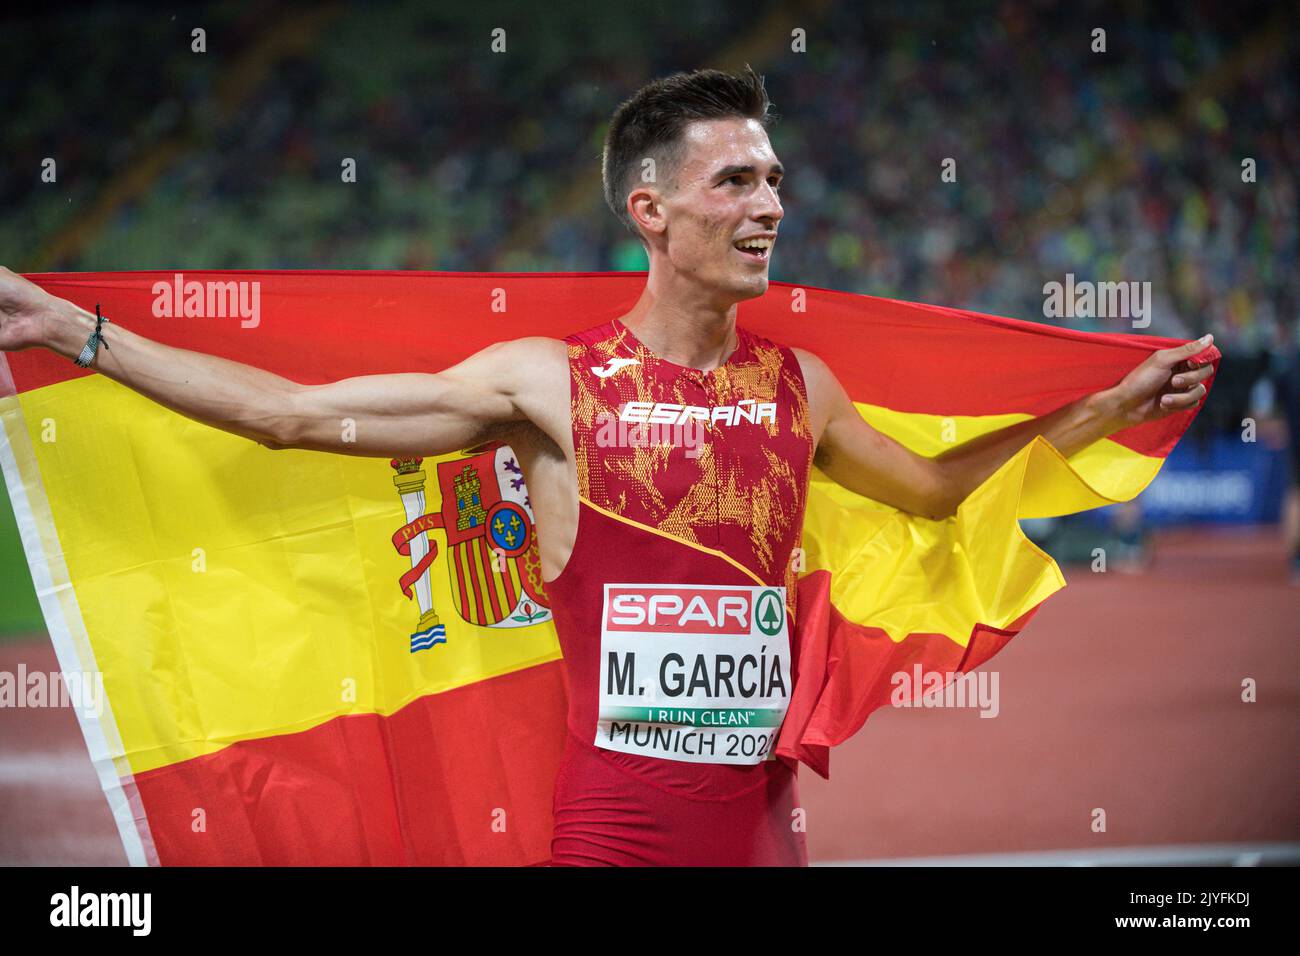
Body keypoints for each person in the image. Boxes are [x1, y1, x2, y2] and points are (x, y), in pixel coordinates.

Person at [0, 66, 1214, 866]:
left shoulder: (803, 387)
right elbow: (293, 417)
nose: (768, 204)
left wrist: (1100, 403)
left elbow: (941, 493)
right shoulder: (545, 385)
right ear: (649, 209)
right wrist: (75, 333)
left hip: (762, 832)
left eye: (775, 178)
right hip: (616, 838)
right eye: (734, 178)